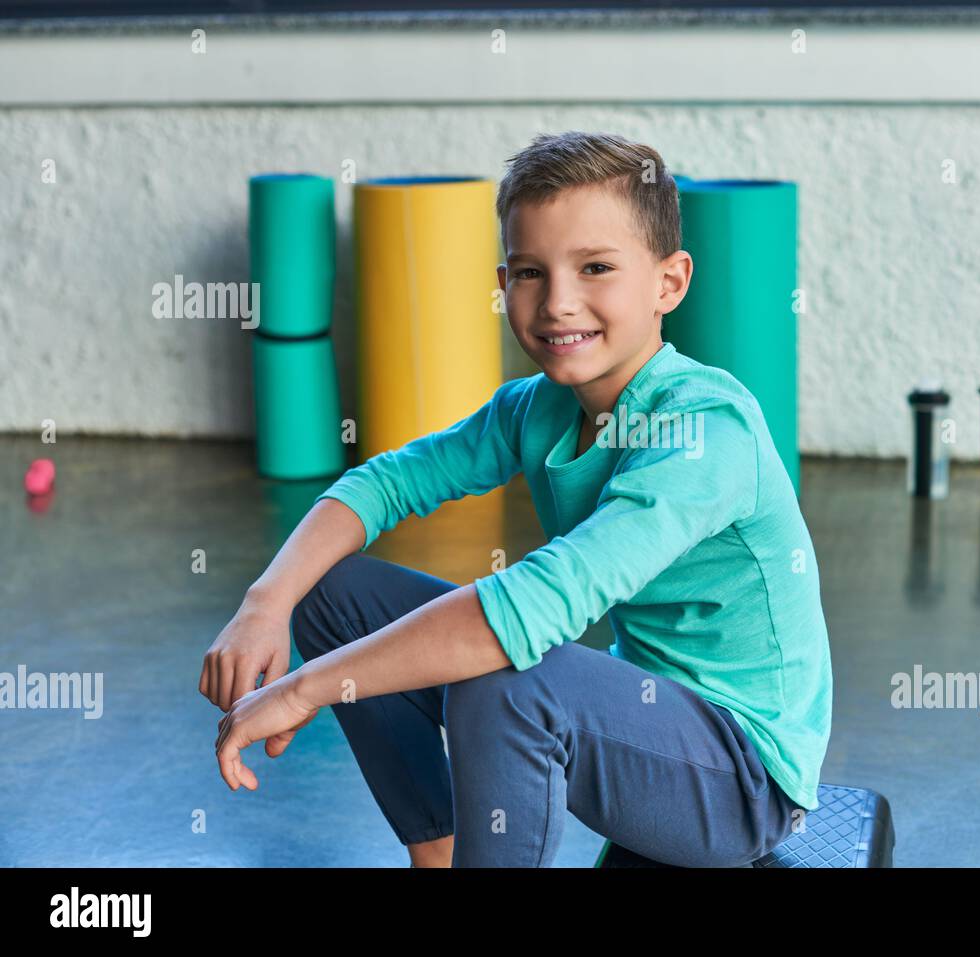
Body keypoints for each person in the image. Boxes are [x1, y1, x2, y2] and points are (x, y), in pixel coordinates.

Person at [199, 130, 832, 867]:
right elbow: (383, 482)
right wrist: (264, 604)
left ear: (669, 281)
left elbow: (533, 607)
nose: (559, 302)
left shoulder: (702, 431)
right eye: (532, 272)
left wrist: (306, 687)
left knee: (504, 680)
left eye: (596, 267)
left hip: (743, 781)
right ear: (505, 285)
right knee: (331, 591)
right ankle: (437, 850)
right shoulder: (536, 408)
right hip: (642, 727)